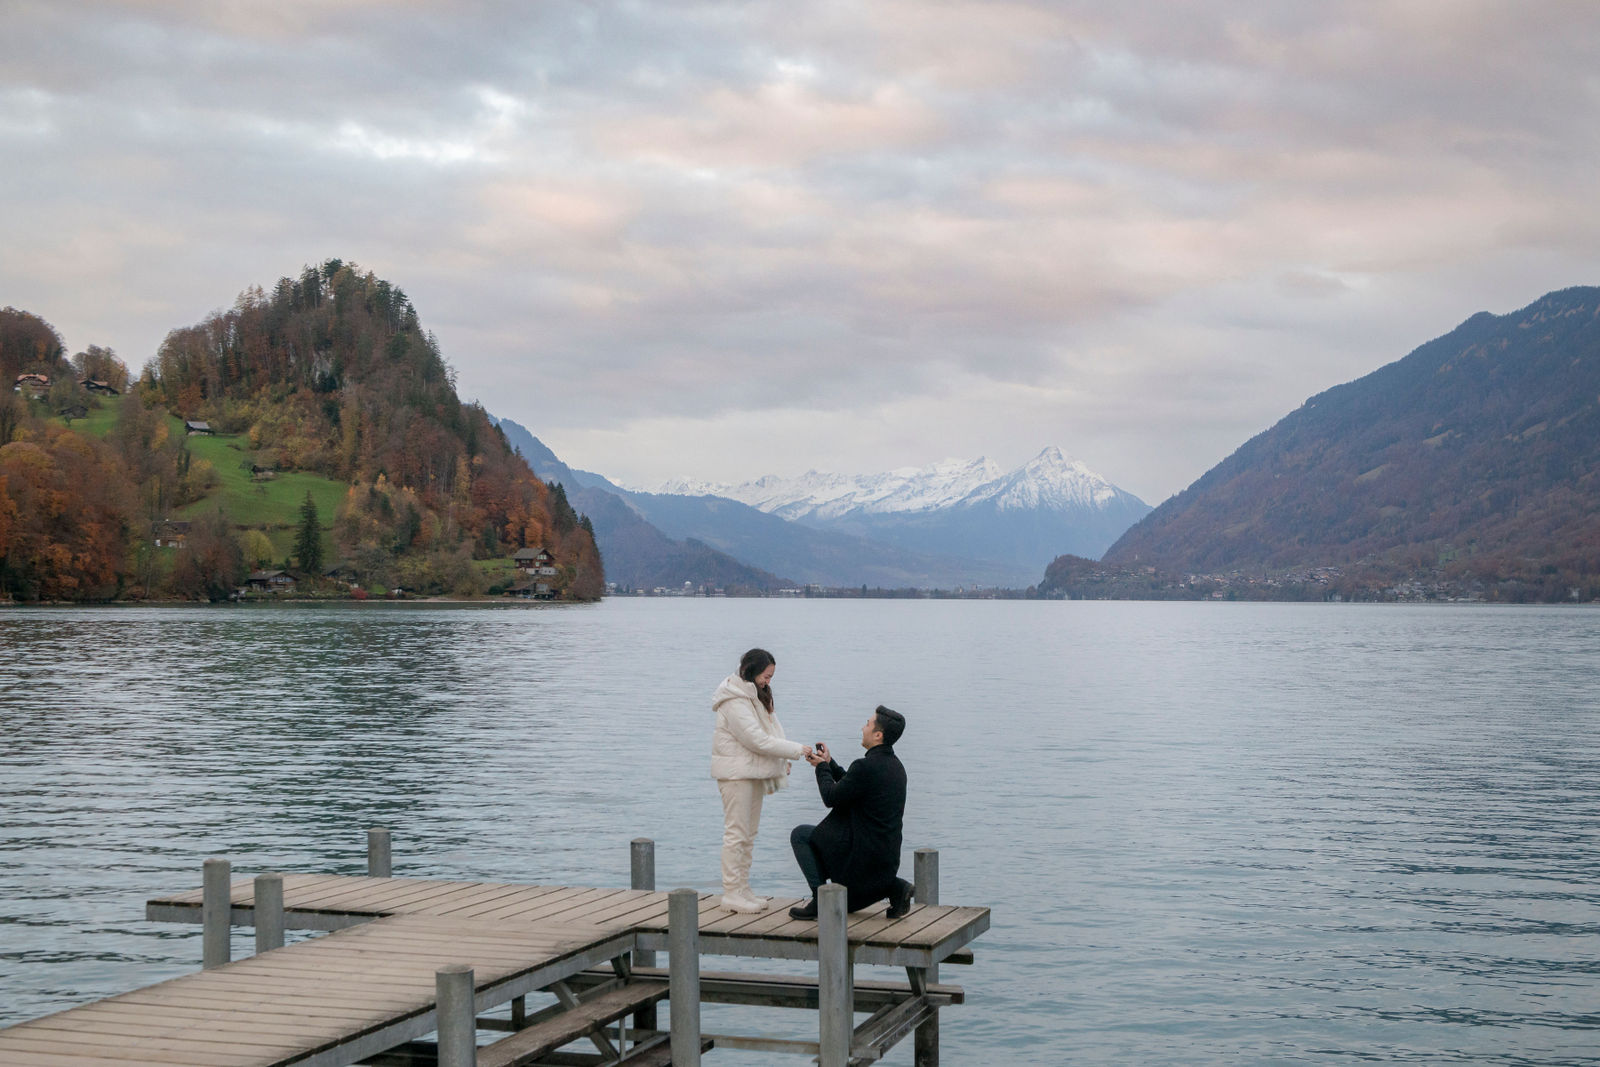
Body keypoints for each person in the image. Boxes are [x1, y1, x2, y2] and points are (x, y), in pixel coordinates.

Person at [788, 705, 913, 920]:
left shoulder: (865, 767)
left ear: (878, 735)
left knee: (800, 835)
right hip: (883, 868)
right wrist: (830, 764)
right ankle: (895, 887)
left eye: (867, 724)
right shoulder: (895, 767)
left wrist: (821, 769)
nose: (862, 728)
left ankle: (821, 901)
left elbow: (831, 797)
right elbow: (853, 786)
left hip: (859, 876)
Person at [712, 648, 813, 914]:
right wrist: (795, 750)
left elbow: (770, 733)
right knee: (736, 834)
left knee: (749, 834)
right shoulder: (734, 700)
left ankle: (743, 888)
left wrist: (783, 760)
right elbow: (755, 739)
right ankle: (731, 892)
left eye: (771, 677)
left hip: (750, 772)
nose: (768, 681)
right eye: (766, 676)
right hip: (735, 775)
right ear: (751, 671)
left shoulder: (754, 695)